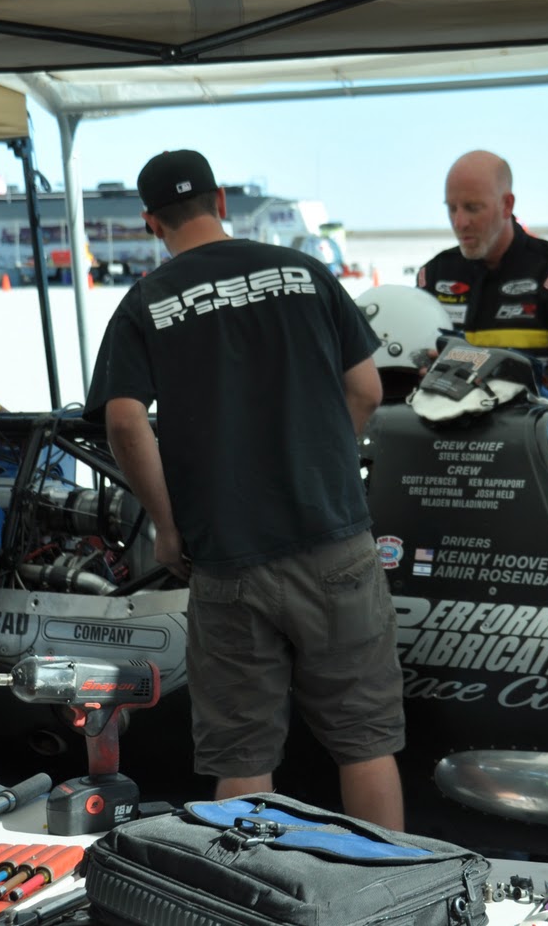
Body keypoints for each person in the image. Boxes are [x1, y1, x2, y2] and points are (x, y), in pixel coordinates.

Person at [87, 149, 406, 829]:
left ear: (150, 222)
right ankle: (395, 899)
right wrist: (321, 459)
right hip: (336, 544)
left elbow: (122, 419)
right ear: (222, 201)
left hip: (228, 556)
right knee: (366, 743)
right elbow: (368, 388)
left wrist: (167, 524)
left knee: (243, 753)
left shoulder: (146, 302)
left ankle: (241, 901)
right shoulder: (307, 272)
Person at [418, 150, 548, 415]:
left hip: (529, 448)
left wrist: (505, 374)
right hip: (445, 447)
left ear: (507, 205)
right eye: (451, 208)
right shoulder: (434, 274)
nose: (459, 222)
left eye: (472, 208)